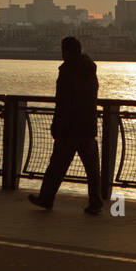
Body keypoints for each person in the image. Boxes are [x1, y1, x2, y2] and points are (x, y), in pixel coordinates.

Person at [29, 36, 104, 214]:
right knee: (92, 168)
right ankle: (96, 201)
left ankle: (46, 198)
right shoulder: (89, 69)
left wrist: (57, 125)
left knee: (56, 166)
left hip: (70, 128)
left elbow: (63, 103)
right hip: (88, 126)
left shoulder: (68, 71)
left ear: (67, 51)